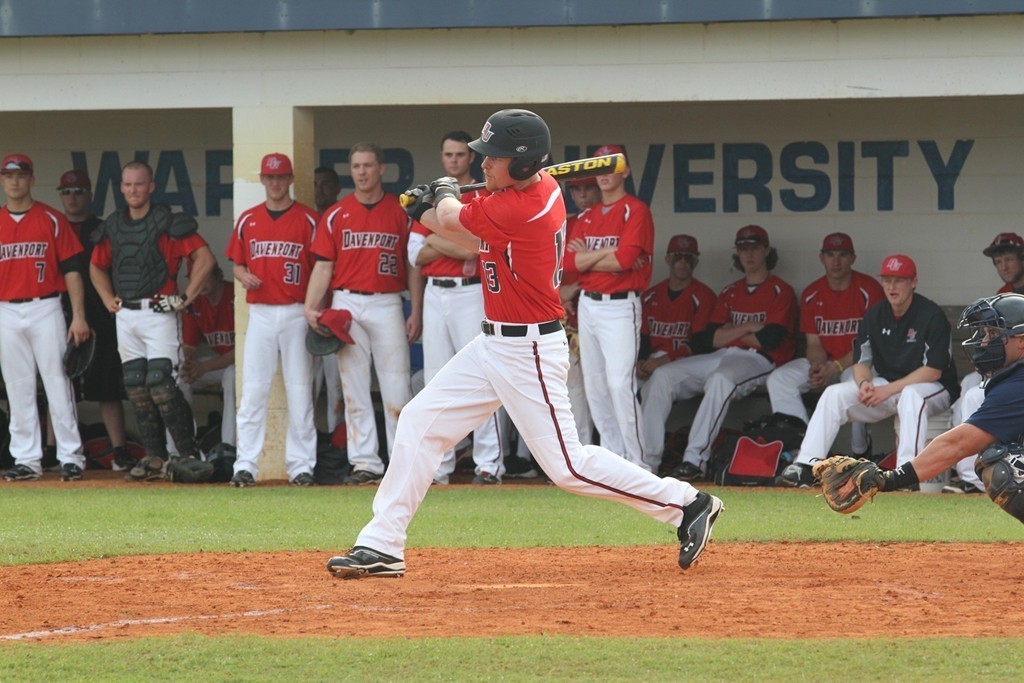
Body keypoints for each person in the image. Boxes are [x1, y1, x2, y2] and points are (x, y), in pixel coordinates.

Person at [324, 108, 723, 579]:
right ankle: (383, 543)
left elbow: (454, 221)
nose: (484, 165)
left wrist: (436, 199)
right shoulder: (517, 193)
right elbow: (462, 230)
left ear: (521, 162)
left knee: (568, 467)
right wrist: (428, 208)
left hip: (529, 350)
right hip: (492, 343)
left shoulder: (526, 204)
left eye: (492, 158)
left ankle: (688, 503)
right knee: (418, 421)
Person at [820, 292, 1024, 525]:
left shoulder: (1017, 386)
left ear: (1022, 341)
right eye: (986, 333)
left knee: (1004, 467)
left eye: (995, 334)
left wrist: (887, 479)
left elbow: (957, 444)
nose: (986, 342)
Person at [783, 254, 959, 485]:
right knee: (834, 394)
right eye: (887, 280)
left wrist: (885, 391)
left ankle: (906, 474)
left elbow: (933, 371)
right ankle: (806, 465)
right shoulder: (876, 315)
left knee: (911, 396)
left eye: (899, 280)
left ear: (913, 282)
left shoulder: (930, 315)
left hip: (935, 389)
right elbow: (862, 362)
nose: (892, 286)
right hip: (889, 386)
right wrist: (865, 384)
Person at [305, 142, 423, 485]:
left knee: (397, 385)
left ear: (381, 169)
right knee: (353, 387)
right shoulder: (336, 213)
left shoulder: (400, 209)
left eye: (368, 165)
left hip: (387, 300)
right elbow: (324, 267)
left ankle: (403, 463)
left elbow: (413, 265)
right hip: (347, 303)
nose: (362, 172)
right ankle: (365, 463)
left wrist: (415, 309)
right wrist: (310, 306)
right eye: (356, 166)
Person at [90, 160, 216, 482]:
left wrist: (186, 296)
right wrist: (107, 298)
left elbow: (204, 258)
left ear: (151, 187)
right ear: (120, 188)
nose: (133, 190)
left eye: (139, 184)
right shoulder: (114, 226)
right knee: (136, 387)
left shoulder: (167, 223)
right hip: (127, 313)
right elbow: (96, 266)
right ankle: (154, 457)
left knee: (161, 383)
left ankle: (188, 454)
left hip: (160, 311)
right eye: (128, 185)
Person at [658, 225, 798, 481]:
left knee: (721, 379)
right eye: (744, 249)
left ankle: (693, 460)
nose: (749, 255)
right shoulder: (730, 291)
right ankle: (646, 460)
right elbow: (711, 338)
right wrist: (747, 327)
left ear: (766, 250)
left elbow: (770, 338)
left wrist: (731, 331)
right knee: (664, 374)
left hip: (761, 359)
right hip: (723, 354)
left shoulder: (781, 290)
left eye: (754, 248)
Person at [409, 130, 503, 485]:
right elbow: (415, 254)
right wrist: (449, 239)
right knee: (435, 378)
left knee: (486, 376)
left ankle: (488, 464)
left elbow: (474, 248)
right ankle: (441, 465)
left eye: (460, 154)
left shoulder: (482, 193)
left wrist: (439, 237)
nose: (454, 160)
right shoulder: (433, 194)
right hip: (436, 293)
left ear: (471, 157)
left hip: (472, 292)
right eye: (448, 154)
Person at [226, 153, 318, 487]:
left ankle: (302, 466)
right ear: (263, 180)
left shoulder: (308, 219)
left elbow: (322, 267)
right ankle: (246, 465)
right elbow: (236, 263)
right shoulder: (247, 219)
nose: (275, 183)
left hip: (296, 311)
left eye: (280, 177)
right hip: (262, 312)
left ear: (290, 179)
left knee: (299, 391)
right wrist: (242, 276)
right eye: (269, 177)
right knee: (253, 391)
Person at [0, 154, 89, 482]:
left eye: (21, 176)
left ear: (31, 180)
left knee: (57, 380)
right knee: (17, 385)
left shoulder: (51, 219)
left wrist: (78, 316)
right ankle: (27, 459)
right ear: (2, 180)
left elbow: (73, 271)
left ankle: (71, 456)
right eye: (8, 176)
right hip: (6, 309)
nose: (14, 182)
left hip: (46, 305)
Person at [769, 232, 883, 484]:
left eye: (842, 254)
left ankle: (861, 451)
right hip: (829, 362)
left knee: (852, 385)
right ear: (821, 258)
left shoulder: (869, 290)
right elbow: (813, 343)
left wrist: (836, 366)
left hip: (857, 363)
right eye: (830, 254)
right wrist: (818, 366)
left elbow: (872, 344)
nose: (836, 261)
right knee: (779, 379)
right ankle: (803, 446)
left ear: (852, 258)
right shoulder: (812, 293)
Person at [567, 144, 654, 469]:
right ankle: (614, 461)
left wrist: (588, 259)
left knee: (620, 384)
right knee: (596, 385)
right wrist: (605, 257)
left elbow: (626, 260)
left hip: (621, 306)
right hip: (588, 304)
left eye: (611, 166)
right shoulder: (586, 216)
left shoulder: (635, 210)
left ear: (625, 171)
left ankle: (639, 463)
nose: (604, 174)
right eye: (600, 167)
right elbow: (567, 264)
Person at [55, 169, 133, 471]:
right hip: (58, 313)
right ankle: (54, 449)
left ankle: (119, 450)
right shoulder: (53, 227)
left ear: (89, 195)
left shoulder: (102, 229)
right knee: (60, 385)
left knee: (107, 388)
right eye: (67, 191)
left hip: (101, 315)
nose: (72, 197)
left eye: (78, 191)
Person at [945, 232, 1024, 493]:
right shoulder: (1004, 294)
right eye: (998, 261)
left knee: (973, 394)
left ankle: (972, 475)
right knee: (970, 385)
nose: (1004, 266)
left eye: (1009, 259)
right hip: (1013, 368)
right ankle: (967, 472)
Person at [636, 234, 717, 473]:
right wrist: (638, 362)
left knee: (658, 382)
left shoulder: (703, 296)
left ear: (696, 262)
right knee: (619, 385)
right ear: (668, 259)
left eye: (689, 258)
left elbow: (701, 343)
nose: (683, 263)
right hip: (653, 361)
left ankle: (646, 461)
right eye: (678, 257)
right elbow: (643, 337)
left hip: (687, 364)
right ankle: (619, 453)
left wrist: (663, 361)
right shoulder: (650, 295)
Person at [180, 263, 236, 448]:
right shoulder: (194, 302)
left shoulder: (235, 295)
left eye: (204, 277)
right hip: (218, 364)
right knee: (179, 379)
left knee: (232, 376)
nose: (200, 283)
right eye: (196, 279)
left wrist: (203, 368)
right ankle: (185, 445)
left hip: (244, 366)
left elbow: (242, 352)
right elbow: (189, 346)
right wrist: (187, 364)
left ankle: (229, 445)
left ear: (217, 275)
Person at [311, 166, 345, 436]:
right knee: (308, 384)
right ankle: (313, 449)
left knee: (337, 384)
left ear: (336, 188)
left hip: (338, 313)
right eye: (315, 184)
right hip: (311, 315)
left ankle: (337, 441)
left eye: (325, 184)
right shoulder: (310, 221)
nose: (319, 190)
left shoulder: (340, 217)